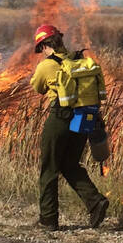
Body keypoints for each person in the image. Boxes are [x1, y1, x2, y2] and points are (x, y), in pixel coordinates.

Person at [28, 23, 109, 231]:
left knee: (49, 168)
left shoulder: (47, 65)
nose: (41, 52)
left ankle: (48, 219)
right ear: (60, 40)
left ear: (45, 45)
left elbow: (38, 87)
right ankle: (96, 202)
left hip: (61, 118)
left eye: (41, 48)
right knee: (70, 164)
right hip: (82, 118)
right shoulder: (78, 60)